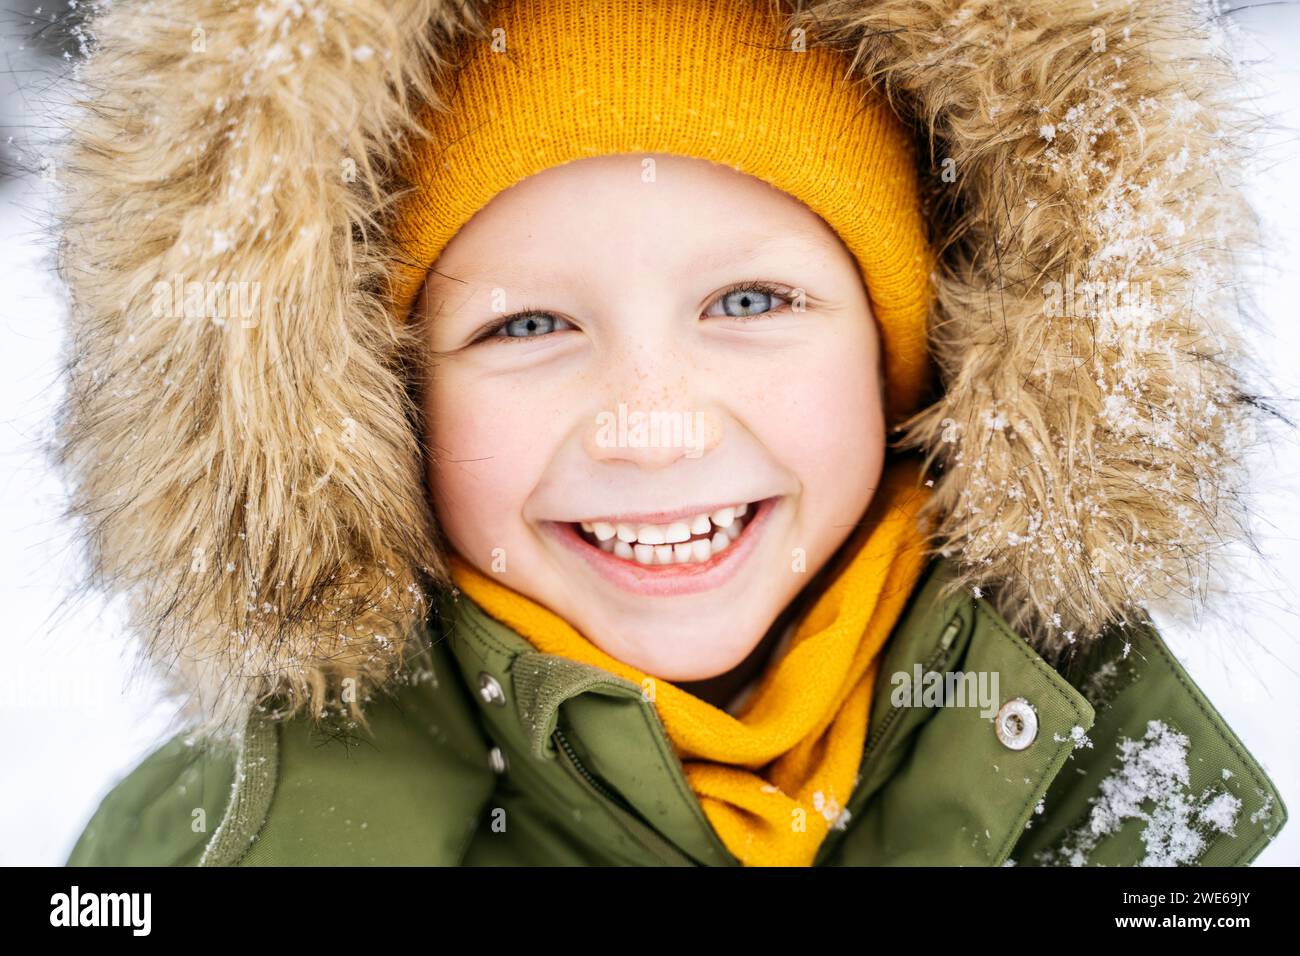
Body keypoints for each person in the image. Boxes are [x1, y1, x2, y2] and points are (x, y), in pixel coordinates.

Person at [60, 0, 1286, 866]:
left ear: (906, 348)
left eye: (748, 302)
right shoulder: (218, 849)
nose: (651, 427)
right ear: (368, 404)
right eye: (527, 323)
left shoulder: (1097, 783)